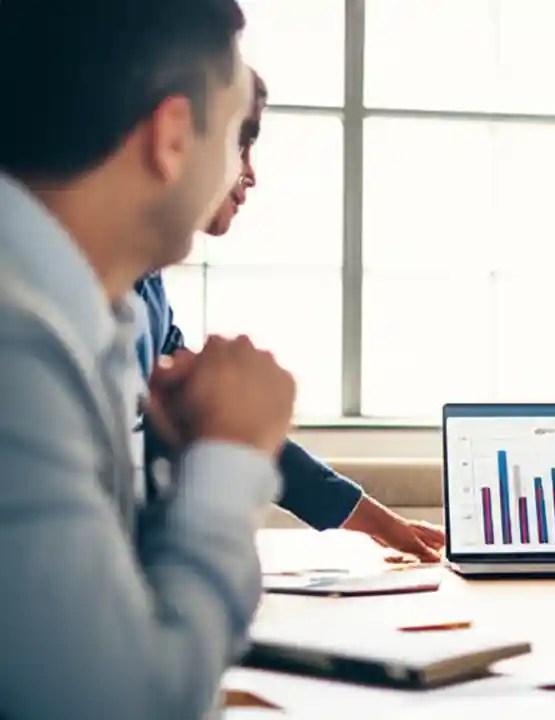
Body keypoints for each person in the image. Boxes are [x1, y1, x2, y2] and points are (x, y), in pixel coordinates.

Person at [0, 1, 291, 716]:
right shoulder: (17, 356)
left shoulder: (75, 325)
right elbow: (126, 705)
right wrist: (230, 462)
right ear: (170, 139)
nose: (239, 172)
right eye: (232, 135)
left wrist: (185, 465)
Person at [134, 70, 446, 561]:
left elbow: (219, 422)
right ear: (171, 137)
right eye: (241, 146)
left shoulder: (145, 286)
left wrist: (380, 523)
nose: (250, 174)